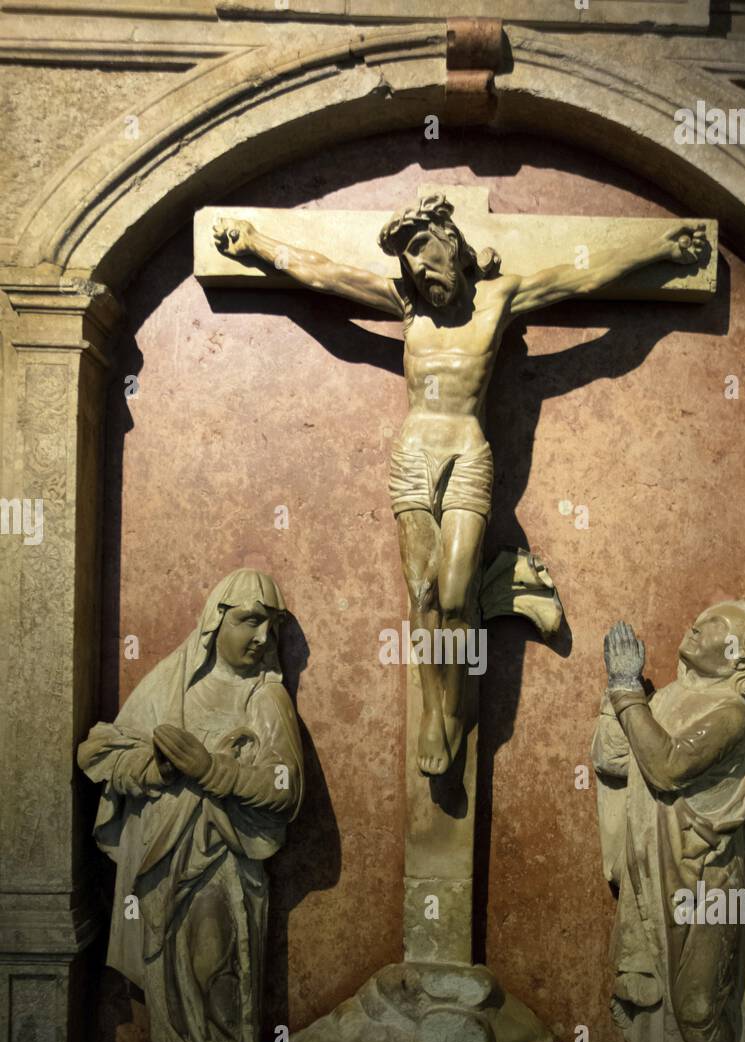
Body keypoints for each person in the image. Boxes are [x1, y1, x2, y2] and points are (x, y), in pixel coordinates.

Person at [214, 193, 707, 776]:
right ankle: (438, 711)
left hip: (468, 453)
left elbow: (582, 276)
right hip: (413, 455)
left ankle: (451, 705)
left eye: (423, 248)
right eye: (407, 258)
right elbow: (324, 273)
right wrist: (258, 243)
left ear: (452, 242)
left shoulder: (500, 299)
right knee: (423, 597)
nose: (418, 267)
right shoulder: (407, 304)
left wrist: (658, 247)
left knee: (454, 594)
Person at [78, 569, 304, 1042]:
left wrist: (212, 770)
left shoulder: (265, 696)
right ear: (215, 621)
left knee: (216, 967)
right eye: (248, 621)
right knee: (170, 980)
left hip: (224, 864)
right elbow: (101, 754)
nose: (259, 637)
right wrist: (154, 768)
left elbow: (285, 786)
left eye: (269, 626)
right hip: (161, 860)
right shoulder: (171, 685)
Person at [591, 602, 745, 1042]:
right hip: (652, 874)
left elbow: (668, 766)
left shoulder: (730, 714)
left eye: (719, 625)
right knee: (653, 999)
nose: (698, 624)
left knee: (697, 1006)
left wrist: (628, 689)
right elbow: (615, 758)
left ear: (741, 657)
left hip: (704, 884)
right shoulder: (671, 697)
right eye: (700, 616)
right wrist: (617, 698)